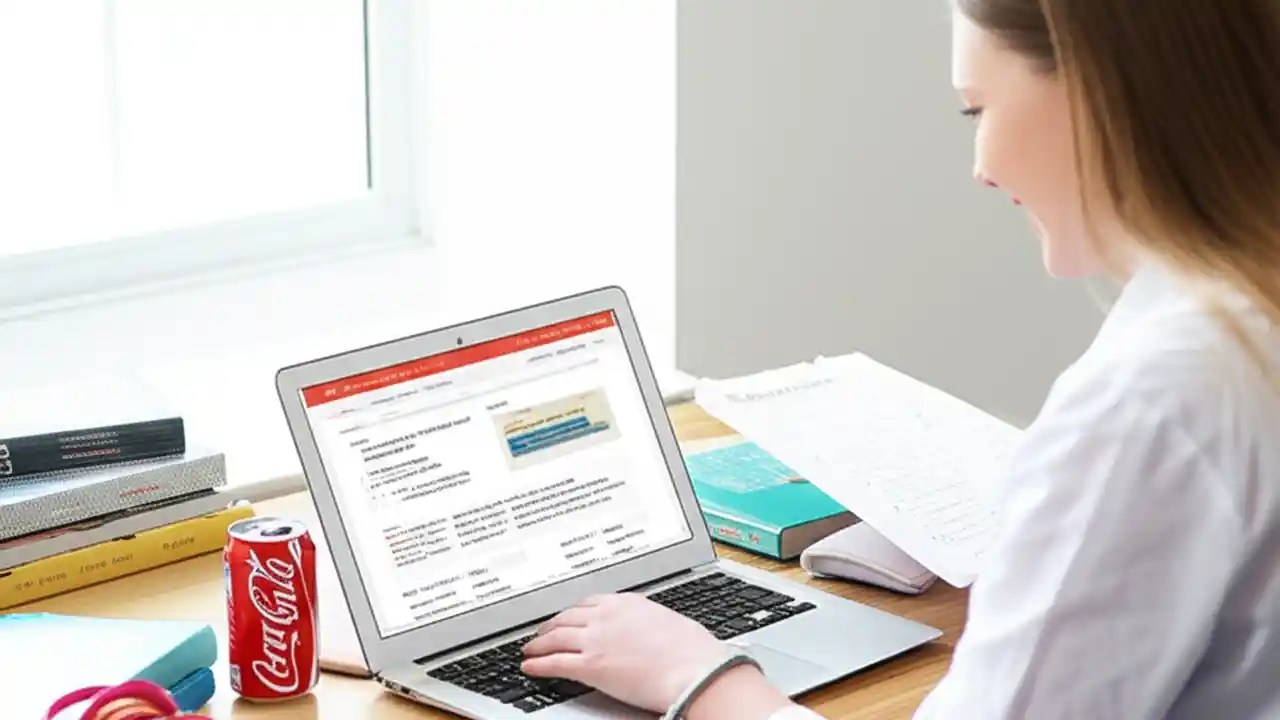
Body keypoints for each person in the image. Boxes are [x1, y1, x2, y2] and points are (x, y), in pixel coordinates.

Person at [522, 1, 1280, 718]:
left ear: (1098, 90)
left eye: (976, 108)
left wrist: (700, 678)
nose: (981, 167)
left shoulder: (1155, 398)